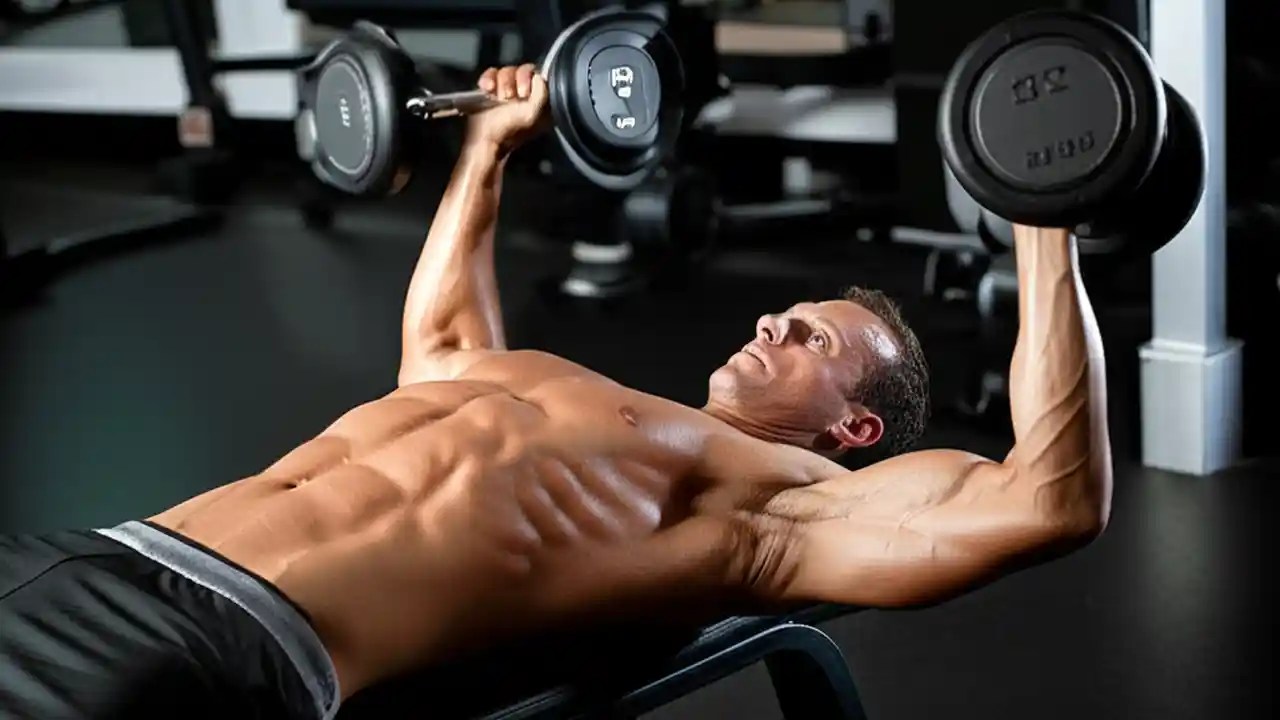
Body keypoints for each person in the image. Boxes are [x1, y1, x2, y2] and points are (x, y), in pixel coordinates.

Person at [0, 65, 1113, 720]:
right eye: (781, 312)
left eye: (812, 335)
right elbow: (438, 351)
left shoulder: (774, 508)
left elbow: (1043, 500)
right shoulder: (562, 383)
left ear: (852, 425)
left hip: (215, 653)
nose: (772, 319)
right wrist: (486, 151)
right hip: (105, 551)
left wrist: (1038, 214)